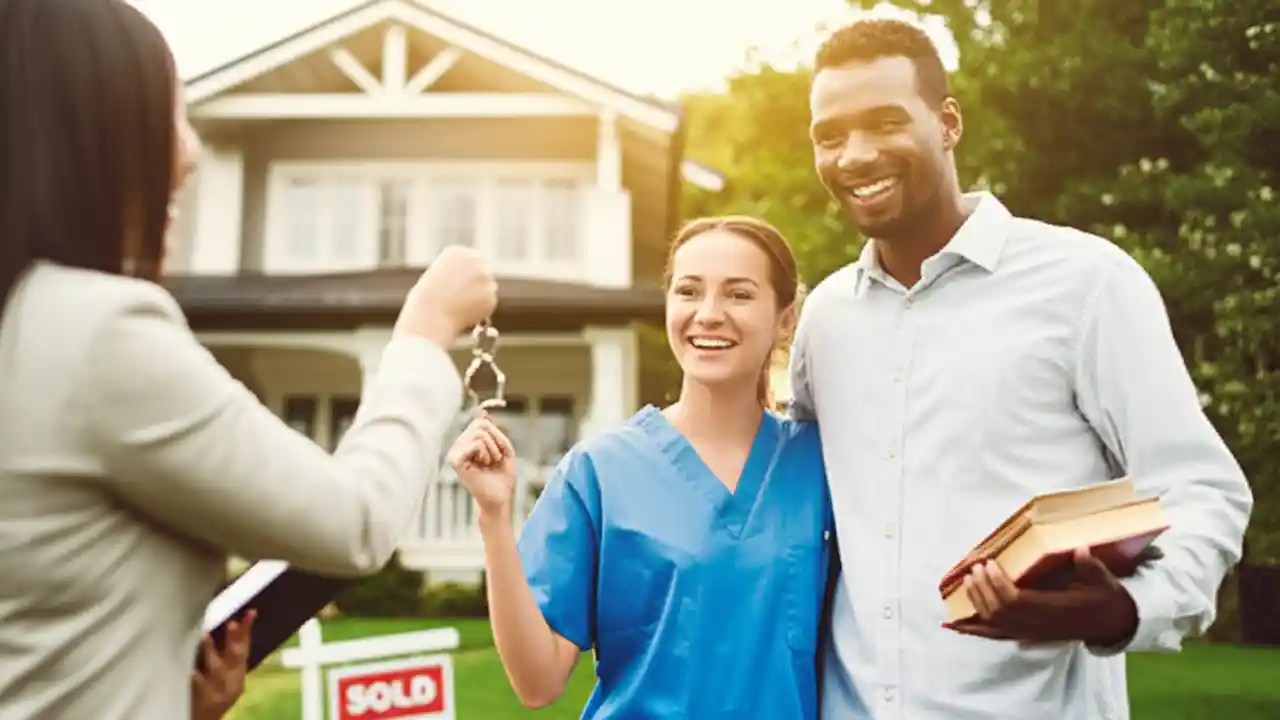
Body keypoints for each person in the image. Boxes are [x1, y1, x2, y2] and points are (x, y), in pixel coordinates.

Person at [0, 1, 497, 718]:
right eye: (170, 111)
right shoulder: (96, 333)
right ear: (94, 130)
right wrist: (424, 334)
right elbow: (353, 523)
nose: (191, 153)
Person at [790, 18, 1254, 720]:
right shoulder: (826, 319)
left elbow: (1201, 491)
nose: (855, 155)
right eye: (830, 135)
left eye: (885, 123)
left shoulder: (1087, 283)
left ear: (948, 122)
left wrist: (1125, 608)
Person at [447, 216, 834, 718]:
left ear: (785, 318)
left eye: (739, 295)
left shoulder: (819, 465)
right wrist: (493, 517)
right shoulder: (601, 472)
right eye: (688, 292)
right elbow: (537, 682)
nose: (709, 314)